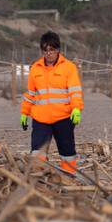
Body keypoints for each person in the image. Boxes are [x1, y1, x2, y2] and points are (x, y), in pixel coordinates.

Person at [20, 31, 82, 175]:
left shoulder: (69, 67)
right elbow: (30, 94)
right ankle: (38, 180)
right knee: (37, 153)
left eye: (52, 49)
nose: (49, 53)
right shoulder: (35, 68)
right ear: (42, 51)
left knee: (67, 153)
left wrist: (76, 109)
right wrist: (24, 113)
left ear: (58, 50)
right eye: (45, 50)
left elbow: (75, 91)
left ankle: (69, 177)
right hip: (41, 119)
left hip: (64, 118)